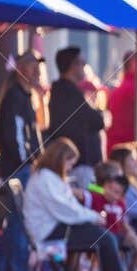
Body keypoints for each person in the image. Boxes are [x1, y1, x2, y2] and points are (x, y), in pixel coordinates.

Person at [24, 140, 137, 271]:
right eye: (69, 162)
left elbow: (68, 207)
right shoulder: (46, 179)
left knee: (104, 236)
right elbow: (65, 209)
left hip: (53, 227)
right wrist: (92, 216)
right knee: (104, 238)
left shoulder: (47, 177)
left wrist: (90, 216)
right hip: (49, 232)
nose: (70, 167)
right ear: (60, 159)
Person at [0, 50, 45, 271]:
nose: (37, 72)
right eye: (32, 67)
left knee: (14, 223)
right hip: (18, 169)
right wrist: (30, 162)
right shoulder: (15, 97)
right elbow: (17, 136)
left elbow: (35, 130)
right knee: (20, 224)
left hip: (21, 167)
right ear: (22, 68)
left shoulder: (25, 96)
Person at [47, 47, 106, 183]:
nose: (85, 66)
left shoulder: (65, 91)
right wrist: (99, 113)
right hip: (78, 165)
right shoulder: (68, 92)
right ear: (73, 65)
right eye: (82, 63)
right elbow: (97, 121)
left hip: (78, 163)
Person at [90, 163, 137, 271]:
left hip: (118, 234)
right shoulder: (95, 193)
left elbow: (123, 222)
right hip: (103, 235)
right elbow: (89, 188)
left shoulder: (119, 200)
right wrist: (104, 191)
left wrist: (129, 231)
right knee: (128, 241)